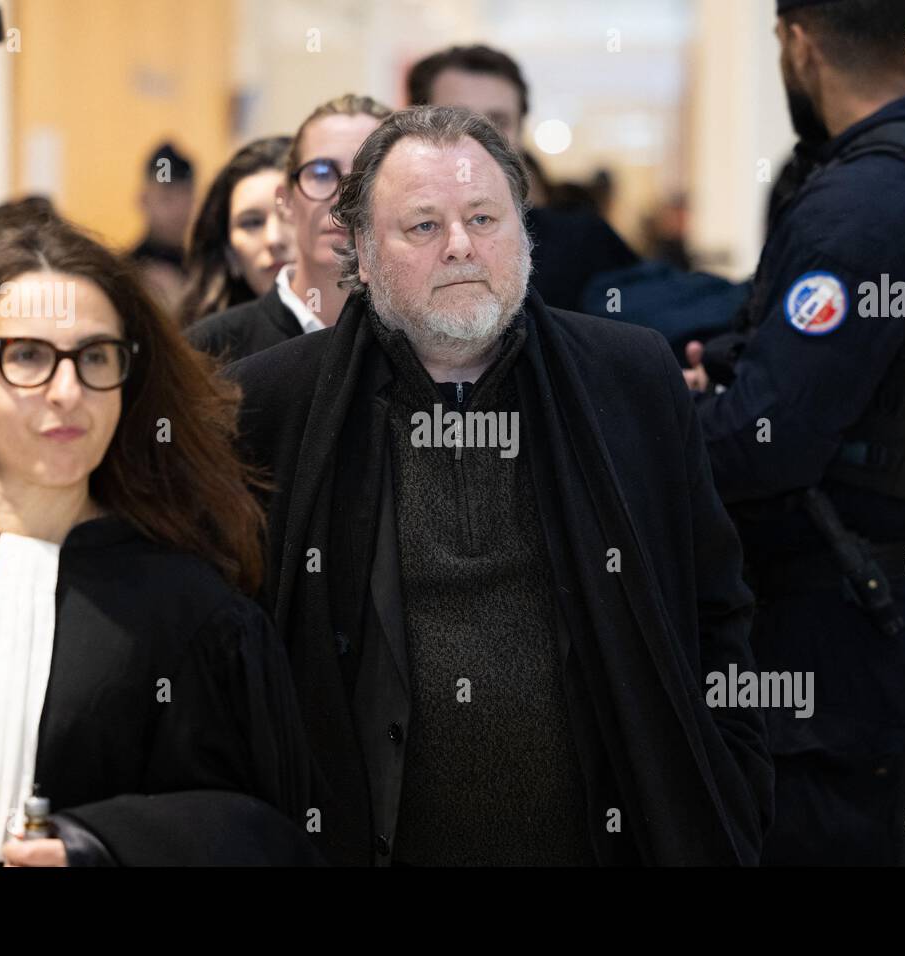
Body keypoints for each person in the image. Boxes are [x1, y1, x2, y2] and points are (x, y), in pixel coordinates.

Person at [225, 106, 773, 867]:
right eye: (421, 226)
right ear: (360, 251)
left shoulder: (629, 382)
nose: (460, 247)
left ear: (525, 233)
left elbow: (716, 609)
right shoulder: (270, 407)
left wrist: (731, 779)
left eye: (484, 218)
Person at [0, 218, 320, 866]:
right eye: (26, 355)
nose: (67, 391)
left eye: (94, 358)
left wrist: (104, 844)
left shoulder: (195, 617)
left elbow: (267, 836)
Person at [683, 0, 905, 865]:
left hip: (825, 629)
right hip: (875, 604)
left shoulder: (868, 201)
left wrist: (648, 429)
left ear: (798, 43)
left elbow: (767, 438)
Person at [407, 44, 639, 311]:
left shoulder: (582, 242)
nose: (481, 137)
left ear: (520, 131)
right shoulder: (388, 242)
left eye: (499, 121)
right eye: (458, 119)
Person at [186, 96, 391, 365]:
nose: (343, 198)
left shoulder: (427, 343)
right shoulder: (207, 349)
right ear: (286, 200)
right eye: (321, 173)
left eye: (365, 176)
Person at [178, 136, 295, 328]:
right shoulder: (202, 346)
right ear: (229, 253)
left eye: (290, 215)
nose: (274, 239)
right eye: (252, 223)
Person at [129, 142, 197, 316]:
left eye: (186, 197)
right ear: (143, 199)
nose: (178, 210)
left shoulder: (202, 270)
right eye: (167, 198)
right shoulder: (125, 273)